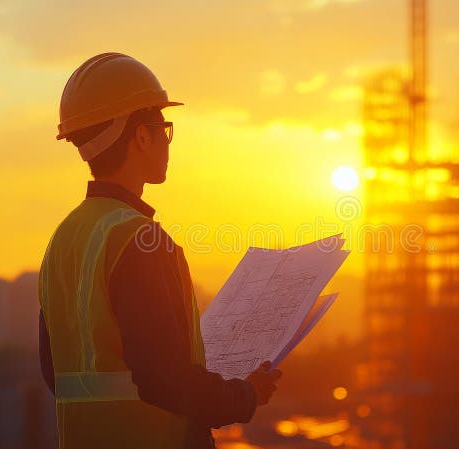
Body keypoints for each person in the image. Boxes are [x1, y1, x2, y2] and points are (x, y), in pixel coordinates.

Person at [38, 52, 282, 449]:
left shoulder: (63, 240)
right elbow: (165, 379)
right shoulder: (140, 241)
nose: (167, 142)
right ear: (141, 136)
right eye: (164, 129)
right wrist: (245, 395)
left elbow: (56, 372)